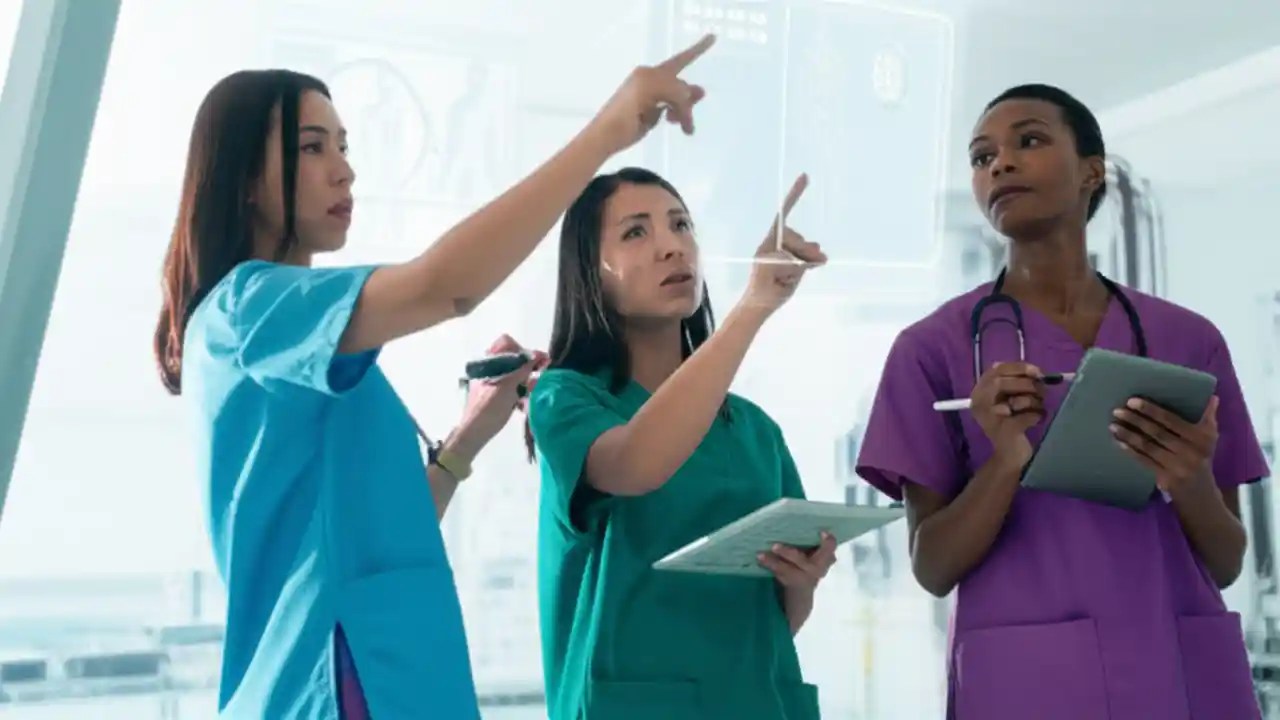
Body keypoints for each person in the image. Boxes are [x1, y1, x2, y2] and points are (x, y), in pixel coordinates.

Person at [153, 33, 717, 720]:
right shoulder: (250, 310)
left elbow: (380, 536)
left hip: (391, 679)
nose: (344, 172)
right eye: (312, 147)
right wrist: (605, 134)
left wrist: (463, 443)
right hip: (335, 684)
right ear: (244, 175)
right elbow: (448, 286)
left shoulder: (297, 340)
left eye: (345, 146)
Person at [856, 83, 1268, 720]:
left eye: (1029, 140)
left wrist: (1187, 480)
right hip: (1030, 684)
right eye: (980, 156)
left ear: (1091, 172)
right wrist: (1005, 460)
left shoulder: (1188, 340)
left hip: (1180, 672)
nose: (1000, 164)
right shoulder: (931, 350)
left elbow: (1227, 558)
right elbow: (932, 568)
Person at [525, 167, 834, 719]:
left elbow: (772, 622)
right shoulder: (564, 400)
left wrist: (800, 583)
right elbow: (636, 462)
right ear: (589, 271)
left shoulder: (755, 430)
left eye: (681, 225)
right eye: (636, 232)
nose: (672, 247)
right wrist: (754, 307)